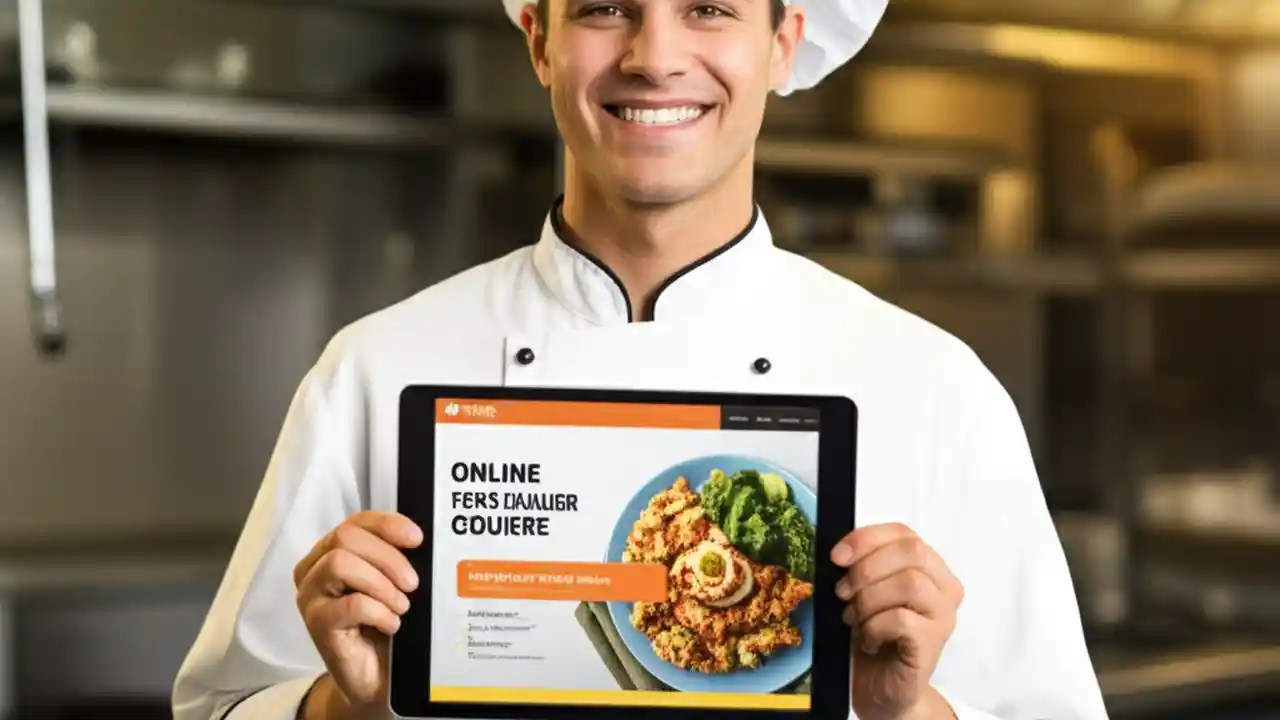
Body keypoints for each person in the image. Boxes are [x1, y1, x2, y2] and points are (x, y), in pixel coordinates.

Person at [172, 0, 1109, 718]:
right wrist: (350, 705)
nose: (654, 56)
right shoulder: (377, 370)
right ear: (539, 40)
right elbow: (219, 708)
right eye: (605, 7)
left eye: (708, 7)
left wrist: (904, 714)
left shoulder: (936, 390)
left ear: (783, 43)